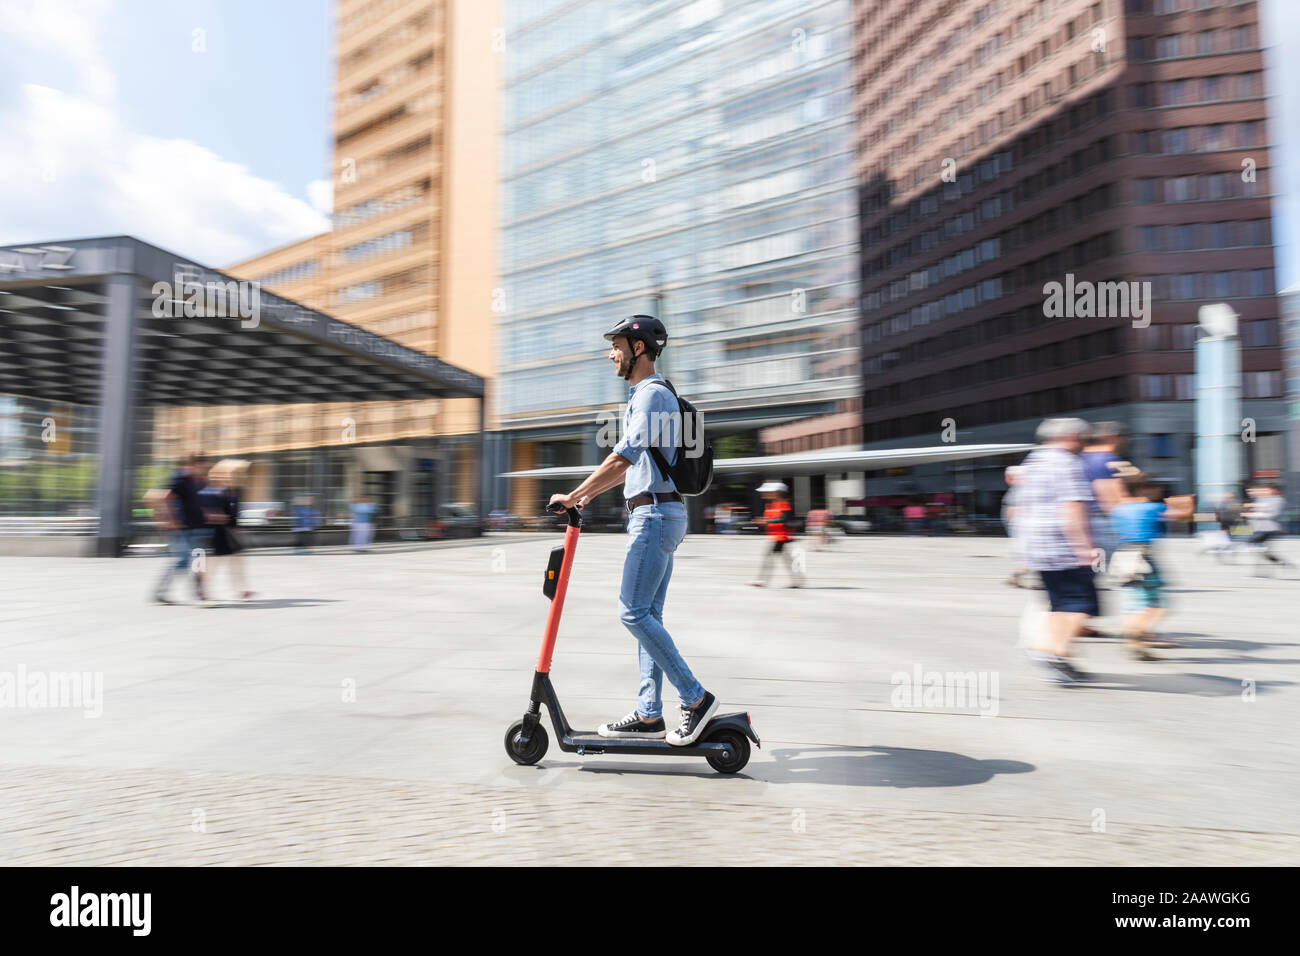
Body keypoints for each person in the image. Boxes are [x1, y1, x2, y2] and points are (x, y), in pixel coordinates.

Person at [546, 315, 718, 747]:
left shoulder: (651, 395)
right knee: (649, 616)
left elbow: (624, 457)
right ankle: (648, 713)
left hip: (655, 516)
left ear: (638, 348)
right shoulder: (651, 396)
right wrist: (585, 498)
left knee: (632, 612)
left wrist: (573, 493)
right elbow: (634, 465)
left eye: (617, 345)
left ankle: (695, 699)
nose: (612, 353)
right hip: (661, 513)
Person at [1017, 418, 1098, 683]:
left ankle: (1053, 653)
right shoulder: (1066, 462)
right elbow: (1072, 506)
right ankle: (1053, 653)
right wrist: (1084, 548)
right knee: (1079, 605)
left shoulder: (1032, 462)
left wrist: (1023, 551)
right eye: (1084, 439)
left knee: (1060, 604)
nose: (1084, 445)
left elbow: (1020, 508)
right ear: (1073, 436)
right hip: (1064, 547)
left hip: (1038, 547)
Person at [1109, 473, 1194, 659]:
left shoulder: (1118, 509)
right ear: (1144, 489)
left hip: (1122, 556)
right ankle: (1136, 635)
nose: (1159, 490)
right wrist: (1188, 502)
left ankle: (1137, 639)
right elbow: (1184, 516)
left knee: (1132, 601)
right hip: (1143, 557)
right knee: (1156, 604)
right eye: (1155, 487)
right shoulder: (1154, 507)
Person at [149, 454, 212, 604]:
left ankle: (198, 593)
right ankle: (161, 591)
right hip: (182, 528)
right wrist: (171, 520)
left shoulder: (200, 481)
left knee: (199, 561)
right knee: (183, 560)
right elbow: (164, 497)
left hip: (199, 526)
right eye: (203, 466)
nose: (205, 469)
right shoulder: (180, 478)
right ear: (194, 464)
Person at [202, 459, 254, 600]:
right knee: (212, 563)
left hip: (227, 532)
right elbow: (206, 513)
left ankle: (241, 588)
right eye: (224, 474)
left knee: (236, 559)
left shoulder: (232, 492)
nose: (227, 477)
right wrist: (218, 517)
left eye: (229, 474)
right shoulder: (209, 492)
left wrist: (236, 527)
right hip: (214, 532)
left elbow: (233, 514)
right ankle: (204, 591)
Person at [751, 481, 804, 587]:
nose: (764, 494)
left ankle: (762, 580)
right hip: (775, 536)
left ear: (777, 492)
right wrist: (763, 520)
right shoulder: (771, 504)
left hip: (781, 537)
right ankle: (797, 580)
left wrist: (766, 521)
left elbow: (784, 519)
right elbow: (774, 518)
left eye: (767, 492)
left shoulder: (783, 503)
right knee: (785, 559)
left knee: (769, 557)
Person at [1244, 483, 1295, 576]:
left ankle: (1270, 567)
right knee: (1261, 551)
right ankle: (1279, 564)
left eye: (1267, 490)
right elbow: (1255, 511)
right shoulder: (1261, 499)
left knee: (1257, 548)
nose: (1265, 492)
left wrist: (1254, 514)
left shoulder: (1279, 500)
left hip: (1272, 529)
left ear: (1274, 490)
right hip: (1260, 529)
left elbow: (1273, 515)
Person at [1002, 465, 1029, 587]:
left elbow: (1012, 511)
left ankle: (1017, 575)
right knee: (1027, 555)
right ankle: (1016, 575)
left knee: (1026, 555)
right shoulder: (1021, 489)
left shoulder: (1018, 490)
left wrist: (1010, 524)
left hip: (1021, 527)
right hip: (1022, 527)